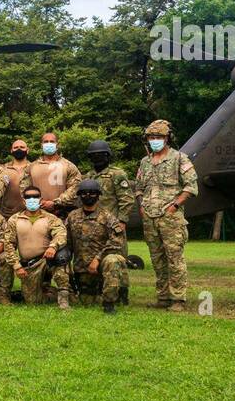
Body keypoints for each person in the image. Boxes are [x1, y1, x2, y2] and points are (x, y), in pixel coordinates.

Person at [134, 119, 198, 312]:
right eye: (152, 137)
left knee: (175, 258)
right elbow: (138, 187)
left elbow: (191, 186)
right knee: (157, 259)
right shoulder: (145, 162)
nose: (155, 140)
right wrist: (141, 205)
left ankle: (178, 299)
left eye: (159, 137)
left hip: (170, 218)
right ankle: (162, 297)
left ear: (167, 138)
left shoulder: (179, 158)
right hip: (150, 218)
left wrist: (175, 205)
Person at [0, 185, 70, 309]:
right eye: (28, 197)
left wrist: (53, 247)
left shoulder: (50, 218)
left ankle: (64, 299)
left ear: (40, 199)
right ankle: (49, 291)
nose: (32, 199)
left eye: (35, 196)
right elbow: (8, 244)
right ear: (23, 200)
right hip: (30, 264)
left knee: (61, 258)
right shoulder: (14, 220)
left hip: (47, 259)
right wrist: (17, 266)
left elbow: (61, 234)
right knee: (33, 301)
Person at [65, 179, 129, 314]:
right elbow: (68, 243)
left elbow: (117, 242)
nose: (88, 196)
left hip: (101, 265)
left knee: (113, 260)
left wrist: (98, 259)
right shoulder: (72, 216)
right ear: (79, 196)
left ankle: (109, 303)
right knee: (87, 301)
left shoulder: (108, 217)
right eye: (84, 193)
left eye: (92, 193)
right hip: (82, 268)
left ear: (98, 195)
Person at [84, 138, 135, 304]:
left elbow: (126, 199)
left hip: (114, 226)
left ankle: (122, 293)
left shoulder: (117, 174)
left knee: (118, 258)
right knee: (96, 258)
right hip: (94, 226)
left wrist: (122, 222)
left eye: (101, 155)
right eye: (94, 155)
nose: (97, 158)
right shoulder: (88, 176)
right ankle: (102, 289)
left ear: (108, 156)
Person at [20, 131, 80, 218]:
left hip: (62, 214)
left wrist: (56, 202)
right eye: (46, 142)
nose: (49, 144)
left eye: (52, 142)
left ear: (57, 144)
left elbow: (75, 187)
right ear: (41, 145)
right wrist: (38, 202)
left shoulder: (68, 166)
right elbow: (24, 188)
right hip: (38, 214)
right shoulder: (31, 167)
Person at [1, 138, 30, 217]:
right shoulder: (2, 169)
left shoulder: (34, 168)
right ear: (11, 150)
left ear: (27, 150)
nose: (19, 149)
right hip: (6, 214)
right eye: (16, 147)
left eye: (22, 147)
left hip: (29, 213)